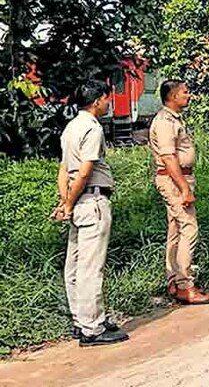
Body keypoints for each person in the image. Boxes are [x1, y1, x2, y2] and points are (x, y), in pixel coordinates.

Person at [53, 80, 129, 346]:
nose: (109, 103)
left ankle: (81, 319)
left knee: (73, 266)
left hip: (78, 202)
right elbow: (85, 171)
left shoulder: (71, 127)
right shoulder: (92, 128)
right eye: (106, 99)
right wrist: (71, 203)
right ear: (97, 101)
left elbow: (64, 170)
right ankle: (93, 328)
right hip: (92, 201)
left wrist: (65, 202)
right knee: (90, 268)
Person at [149, 79, 209, 305]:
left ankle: (174, 280)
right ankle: (185, 284)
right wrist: (184, 188)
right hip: (174, 180)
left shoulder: (174, 119)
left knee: (175, 229)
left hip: (178, 177)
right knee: (189, 227)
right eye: (185, 92)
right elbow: (168, 157)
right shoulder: (165, 122)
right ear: (173, 97)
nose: (189, 95)